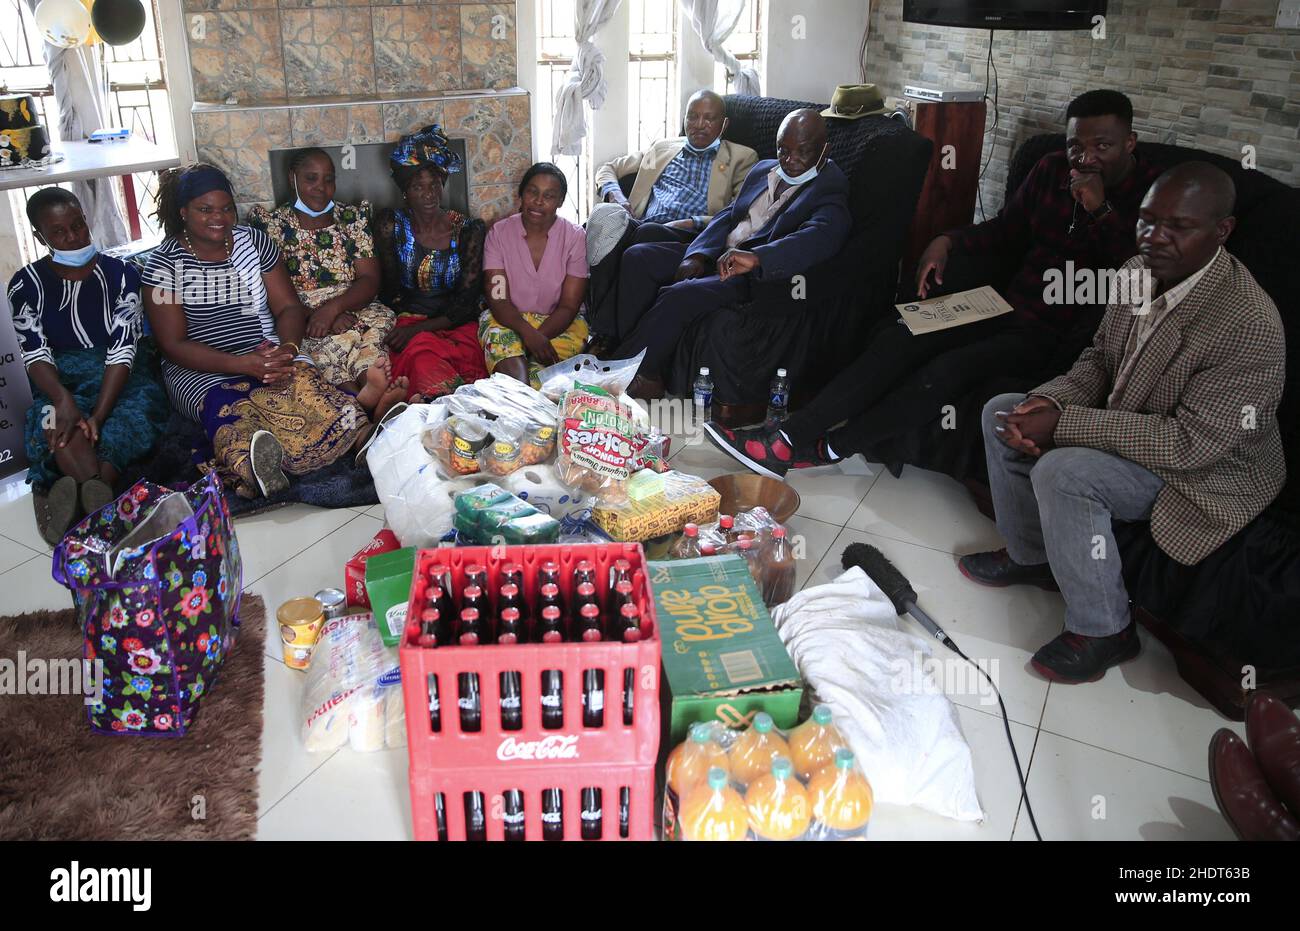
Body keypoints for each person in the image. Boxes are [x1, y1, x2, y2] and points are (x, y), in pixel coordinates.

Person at [704, 89, 1164, 478]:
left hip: (1057, 331)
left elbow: (1138, 278)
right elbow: (1005, 230)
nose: (1084, 158)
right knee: (902, 334)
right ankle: (787, 437)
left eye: (1101, 147)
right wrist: (946, 240)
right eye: (1075, 146)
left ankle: (825, 447)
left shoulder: (1153, 197)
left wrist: (1100, 211)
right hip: (1003, 302)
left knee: (946, 370)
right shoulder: (1050, 171)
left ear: (1130, 143)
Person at [959, 163, 1286, 684]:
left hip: (1207, 471)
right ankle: (1033, 556)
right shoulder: (1137, 271)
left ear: (1221, 232)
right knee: (1002, 409)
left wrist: (1064, 424)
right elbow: (1099, 361)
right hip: (1134, 421)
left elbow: (1191, 445)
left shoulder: (1247, 324)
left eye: (1177, 227)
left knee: (1063, 472)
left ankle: (1106, 629)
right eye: (1146, 220)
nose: (1155, 238)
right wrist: (1044, 404)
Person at [143, 164, 407, 500]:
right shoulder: (164, 265)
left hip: (263, 348)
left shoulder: (253, 243)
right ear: (183, 212)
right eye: (205, 209)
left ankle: (362, 435)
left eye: (226, 208)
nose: (218, 218)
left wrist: (288, 348)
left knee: (305, 385)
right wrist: (244, 365)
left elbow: (288, 308)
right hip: (197, 366)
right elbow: (172, 344)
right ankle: (256, 469)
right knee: (233, 407)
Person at [610, 108, 851, 400]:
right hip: (721, 253)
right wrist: (698, 254)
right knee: (638, 258)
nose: (790, 160)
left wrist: (758, 257)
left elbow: (817, 238)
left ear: (824, 149)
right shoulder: (764, 169)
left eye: (802, 152)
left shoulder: (829, 189)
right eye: (783, 150)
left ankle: (627, 372)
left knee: (678, 295)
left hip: (753, 275)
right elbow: (728, 215)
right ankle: (646, 367)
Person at [8, 189, 169, 544]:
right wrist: (62, 398)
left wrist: (96, 414)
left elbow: (123, 348)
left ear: (85, 217)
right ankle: (100, 495)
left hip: (121, 377)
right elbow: (34, 354)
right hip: (57, 380)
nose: (74, 236)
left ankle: (84, 501)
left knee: (135, 414)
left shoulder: (122, 273)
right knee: (50, 421)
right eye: (59, 232)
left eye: (78, 225)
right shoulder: (25, 284)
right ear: (40, 236)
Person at [585, 90, 758, 352]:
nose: (699, 125)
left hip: (692, 236)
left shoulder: (742, 158)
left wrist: (689, 223)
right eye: (693, 117)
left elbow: (738, 210)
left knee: (643, 237)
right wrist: (617, 196)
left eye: (709, 119)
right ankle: (604, 332)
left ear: (724, 124)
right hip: (644, 225)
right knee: (602, 220)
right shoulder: (663, 149)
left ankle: (605, 336)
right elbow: (609, 169)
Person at [247, 147, 395, 392]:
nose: (321, 187)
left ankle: (371, 387)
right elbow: (276, 295)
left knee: (366, 339)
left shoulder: (350, 218)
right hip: (302, 313)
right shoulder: (273, 226)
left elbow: (369, 279)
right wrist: (319, 315)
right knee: (321, 347)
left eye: (328, 179)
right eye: (311, 178)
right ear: (292, 177)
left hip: (352, 305)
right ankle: (357, 399)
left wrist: (334, 309)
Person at [374, 125, 489, 401]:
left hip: (455, 323)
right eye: (418, 186)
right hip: (408, 320)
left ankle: (458, 417)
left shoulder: (467, 230)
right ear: (405, 191)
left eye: (435, 183)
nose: (429, 194)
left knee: (451, 366)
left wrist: (420, 328)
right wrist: (405, 324)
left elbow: (467, 301)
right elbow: (388, 288)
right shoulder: (391, 225)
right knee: (419, 358)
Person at [479, 162, 589, 387]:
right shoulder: (499, 234)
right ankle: (516, 404)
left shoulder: (575, 238)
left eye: (549, 196)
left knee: (544, 383)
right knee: (514, 380)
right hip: (508, 319)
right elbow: (498, 298)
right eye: (532, 192)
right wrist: (528, 334)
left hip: (559, 322)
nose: (538, 201)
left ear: (559, 201)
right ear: (521, 193)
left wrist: (537, 339)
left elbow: (569, 305)